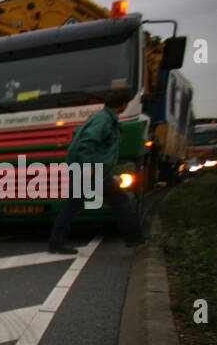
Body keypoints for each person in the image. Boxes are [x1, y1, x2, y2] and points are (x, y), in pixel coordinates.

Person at [48, 88, 147, 254]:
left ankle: (56, 242)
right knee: (120, 200)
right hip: (92, 169)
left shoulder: (101, 117)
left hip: (88, 168)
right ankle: (135, 239)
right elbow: (86, 142)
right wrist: (91, 165)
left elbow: (76, 134)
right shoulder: (105, 120)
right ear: (122, 105)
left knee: (73, 205)